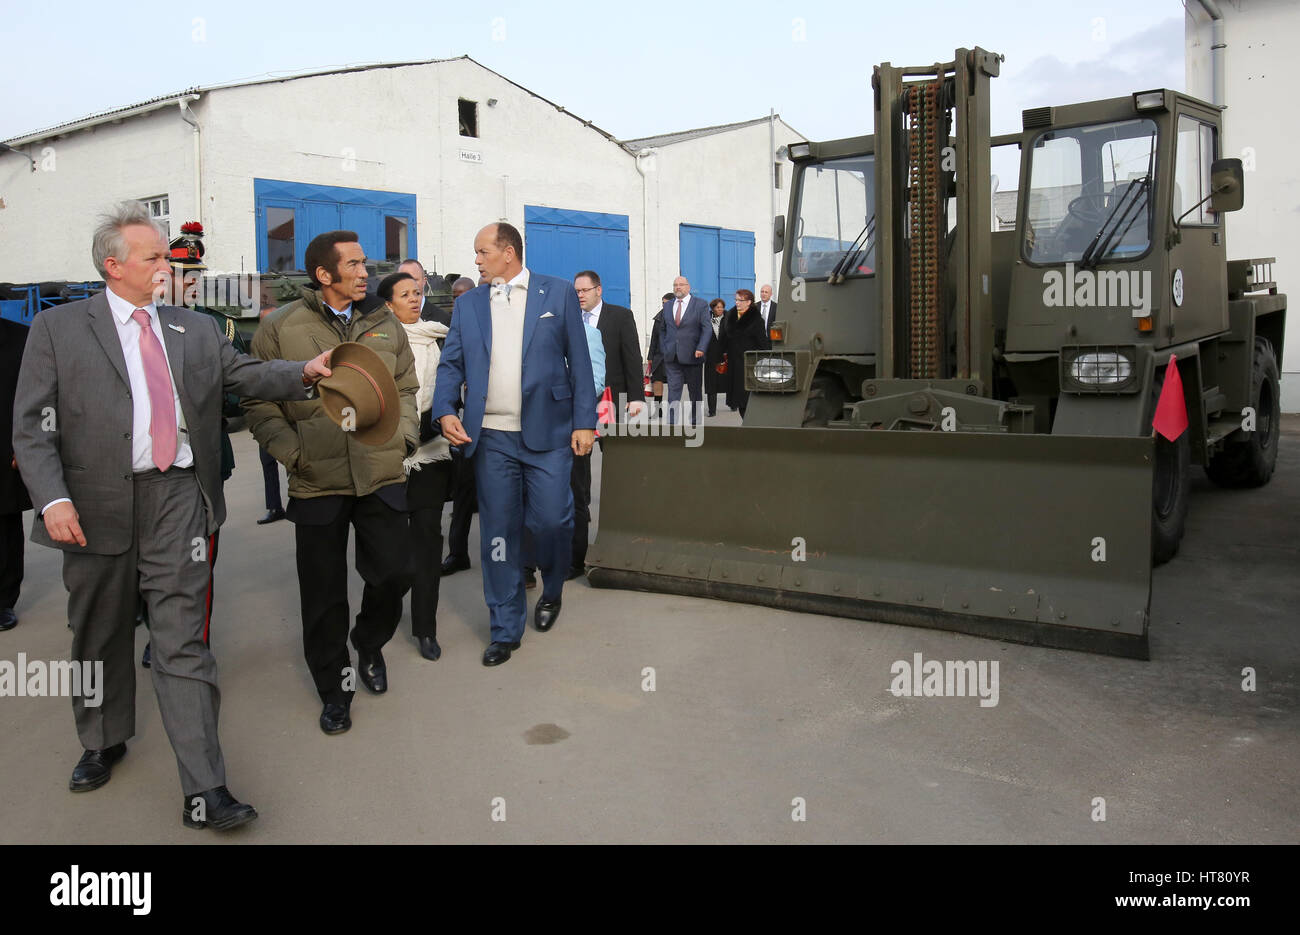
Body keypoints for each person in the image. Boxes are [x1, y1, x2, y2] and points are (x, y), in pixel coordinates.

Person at [11, 201, 331, 830]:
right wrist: (52, 500)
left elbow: (246, 375)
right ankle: (102, 738)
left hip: (179, 497)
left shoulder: (194, 328)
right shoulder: (59, 330)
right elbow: (31, 426)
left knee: (182, 639)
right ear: (114, 265)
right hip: (94, 503)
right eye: (154, 256)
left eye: (167, 254)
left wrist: (304, 372)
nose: (168, 265)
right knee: (99, 634)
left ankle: (205, 788)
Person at [244, 230, 419, 735]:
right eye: (355, 265)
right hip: (317, 477)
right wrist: (291, 453)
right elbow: (257, 399)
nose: (366, 272)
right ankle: (334, 688)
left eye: (366, 263)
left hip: (379, 471)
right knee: (322, 595)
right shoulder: (280, 327)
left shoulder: (384, 322)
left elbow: (406, 386)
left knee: (394, 573)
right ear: (325, 275)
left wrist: (403, 438)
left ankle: (368, 643)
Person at [432, 222, 595, 667]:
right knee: (499, 532)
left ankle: (553, 588)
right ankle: (505, 628)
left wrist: (585, 422)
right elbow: (451, 364)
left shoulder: (556, 293)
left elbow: (579, 362)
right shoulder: (467, 305)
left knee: (551, 521)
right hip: (491, 437)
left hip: (550, 432)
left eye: (482, 252)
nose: (477, 261)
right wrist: (446, 409)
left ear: (508, 252)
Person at [380, 271, 452, 662]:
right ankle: (384, 616)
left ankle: (425, 627)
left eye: (418, 293)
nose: (414, 299)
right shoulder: (374, 340)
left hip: (431, 448)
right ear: (388, 304)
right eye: (405, 294)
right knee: (390, 543)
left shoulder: (438, 335)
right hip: (387, 450)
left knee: (427, 539)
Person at [439, 274, 480, 577]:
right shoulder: (452, 324)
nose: (458, 302)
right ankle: (458, 552)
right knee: (463, 494)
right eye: (454, 296)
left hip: (496, 426)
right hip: (465, 426)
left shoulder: (482, 322)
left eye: (462, 295)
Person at [0, 315, 30, 632]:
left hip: (5, 445)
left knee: (5, 524)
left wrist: (26, 443)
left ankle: (3, 600)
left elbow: (33, 397)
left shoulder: (21, 339)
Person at [661, 276, 712, 426]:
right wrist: (665, 347)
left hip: (693, 356)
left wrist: (701, 347)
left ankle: (696, 424)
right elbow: (662, 329)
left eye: (681, 285)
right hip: (672, 356)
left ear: (688, 287)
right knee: (672, 393)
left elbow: (707, 329)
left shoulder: (700, 305)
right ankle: (672, 424)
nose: (678, 287)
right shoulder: (668, 305)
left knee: (695, 393)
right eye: (675, 285)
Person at [718, 288, 771, 418]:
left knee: (746, 398)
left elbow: (763, 343)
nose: (737, 303)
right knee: (738, 399)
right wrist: (719, 357)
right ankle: (746, 422)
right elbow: (722, 339)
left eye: (740, 300)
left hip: (749, 365)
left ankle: (750, 424)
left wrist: (763, 361)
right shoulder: (729, 316)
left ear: (749, 302)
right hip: (733, 363)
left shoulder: (756, 320)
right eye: (736, 300)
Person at [703, 298, 727, 418]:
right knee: (711, 383)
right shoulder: (706, 319)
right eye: (718, 307)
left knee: (729, 380)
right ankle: (712, 410)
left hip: (726, 355)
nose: (720, 309)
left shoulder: (728, 318)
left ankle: (733, 403)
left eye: (722, 307)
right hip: (711, 355)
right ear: (712, 308)